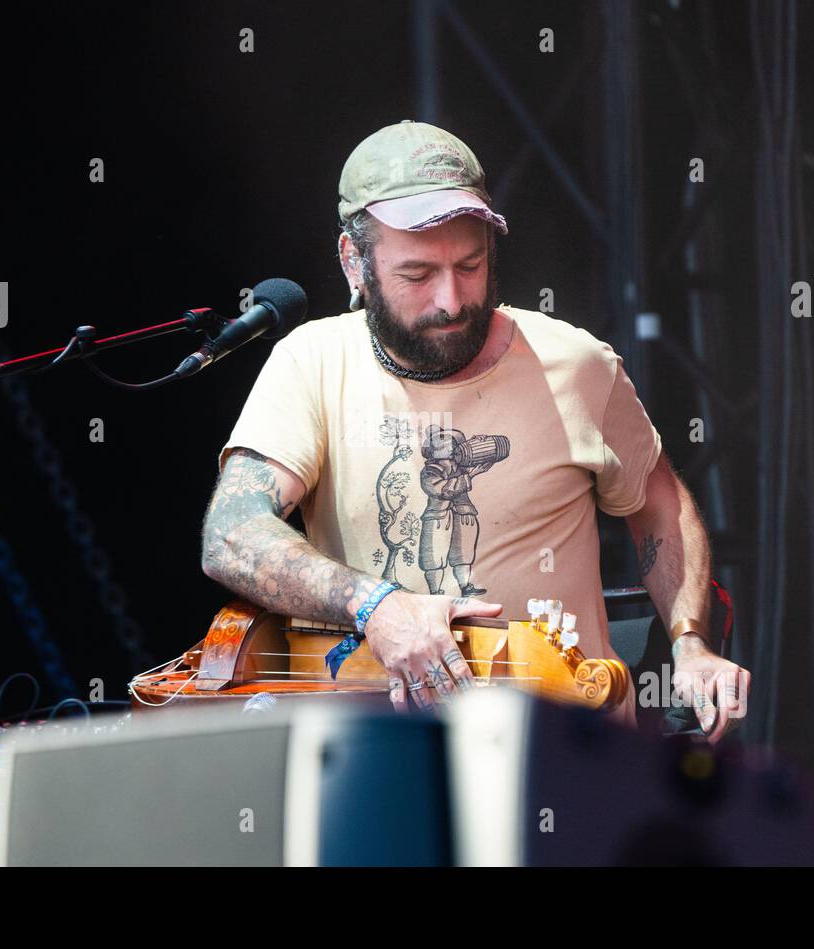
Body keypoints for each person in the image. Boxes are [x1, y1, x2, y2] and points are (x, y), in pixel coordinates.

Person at [202, 120, 749, 741]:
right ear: (353, 262)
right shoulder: (312, 362)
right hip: (387, 757)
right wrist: (375, 604)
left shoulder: (575, 365)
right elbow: (232, 534)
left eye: (470, 265)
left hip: (565, 752)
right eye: (416, 275)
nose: (451, 299)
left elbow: (659, 504)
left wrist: (691, 644)